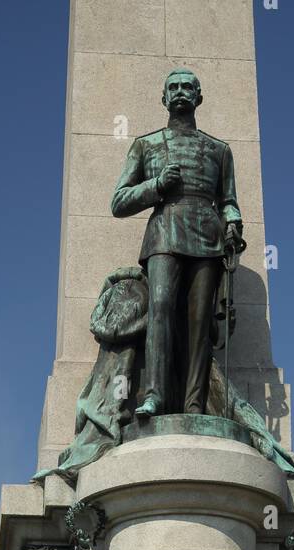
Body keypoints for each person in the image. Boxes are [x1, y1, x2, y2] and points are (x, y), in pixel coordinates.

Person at [111, 68, 243, 417]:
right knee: (161, 309)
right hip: (164, 233)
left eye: (188, 87)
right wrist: (156, 185)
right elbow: (119, 202)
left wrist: (233, 222)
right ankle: (153, 395)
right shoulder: (146, 145)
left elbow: (228, 200)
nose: (180, 91)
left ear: (199, 97)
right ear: (164, 98)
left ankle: (194, 403)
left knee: (199, 323)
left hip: (208, 237)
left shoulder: (220, 150)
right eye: (173, 87)